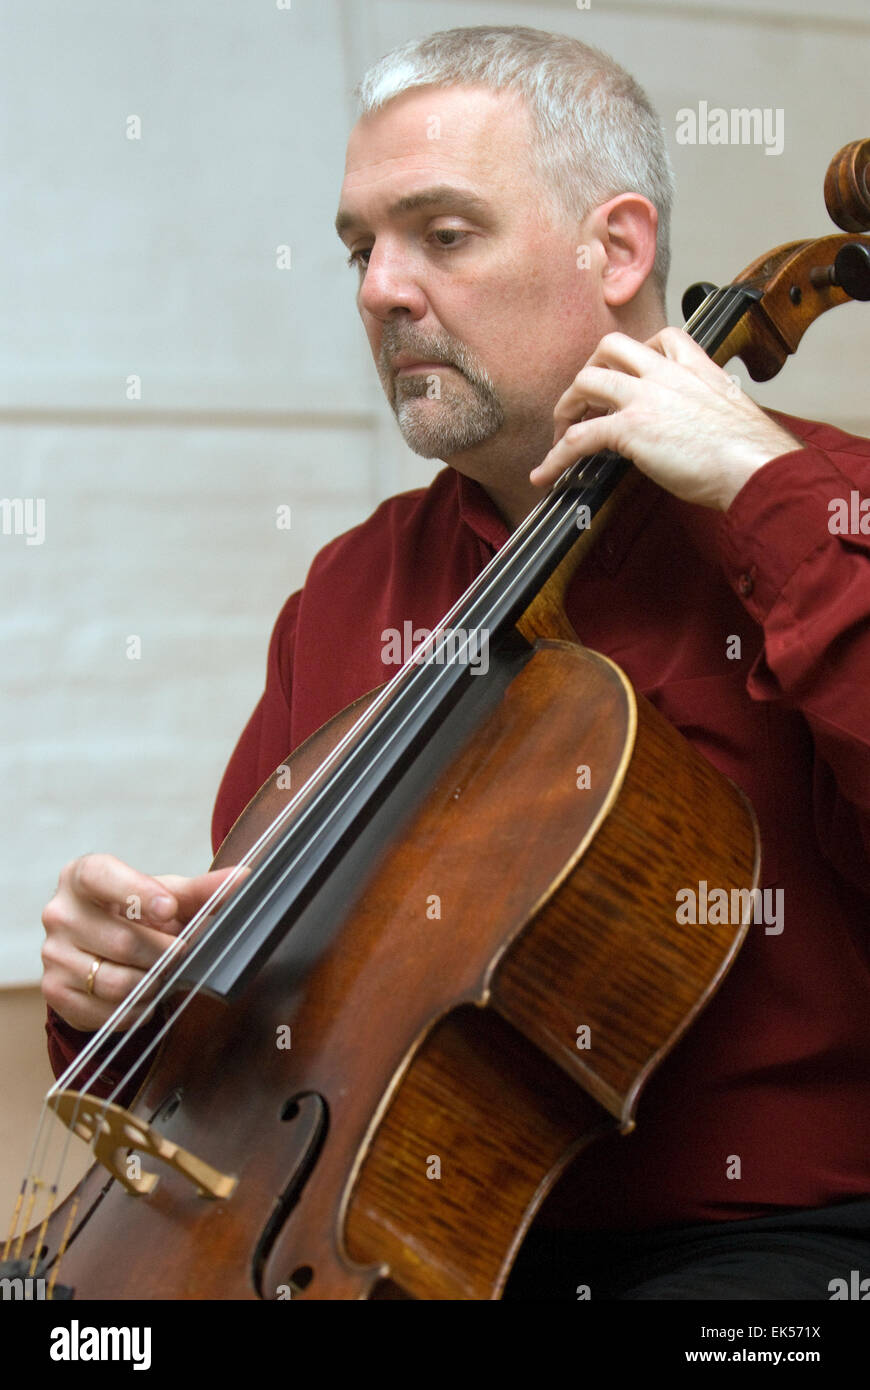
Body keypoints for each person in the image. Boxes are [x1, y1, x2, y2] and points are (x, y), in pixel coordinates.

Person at [40, 26, 870, 1300]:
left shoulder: (833, 507)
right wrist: (121, 985)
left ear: (619, 248)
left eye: (442, 233)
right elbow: (278, 1040)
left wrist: (762, 489)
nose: (380, 287)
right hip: (389, 1243)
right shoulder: (348, 588)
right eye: (358, 246)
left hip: (770, 1252)